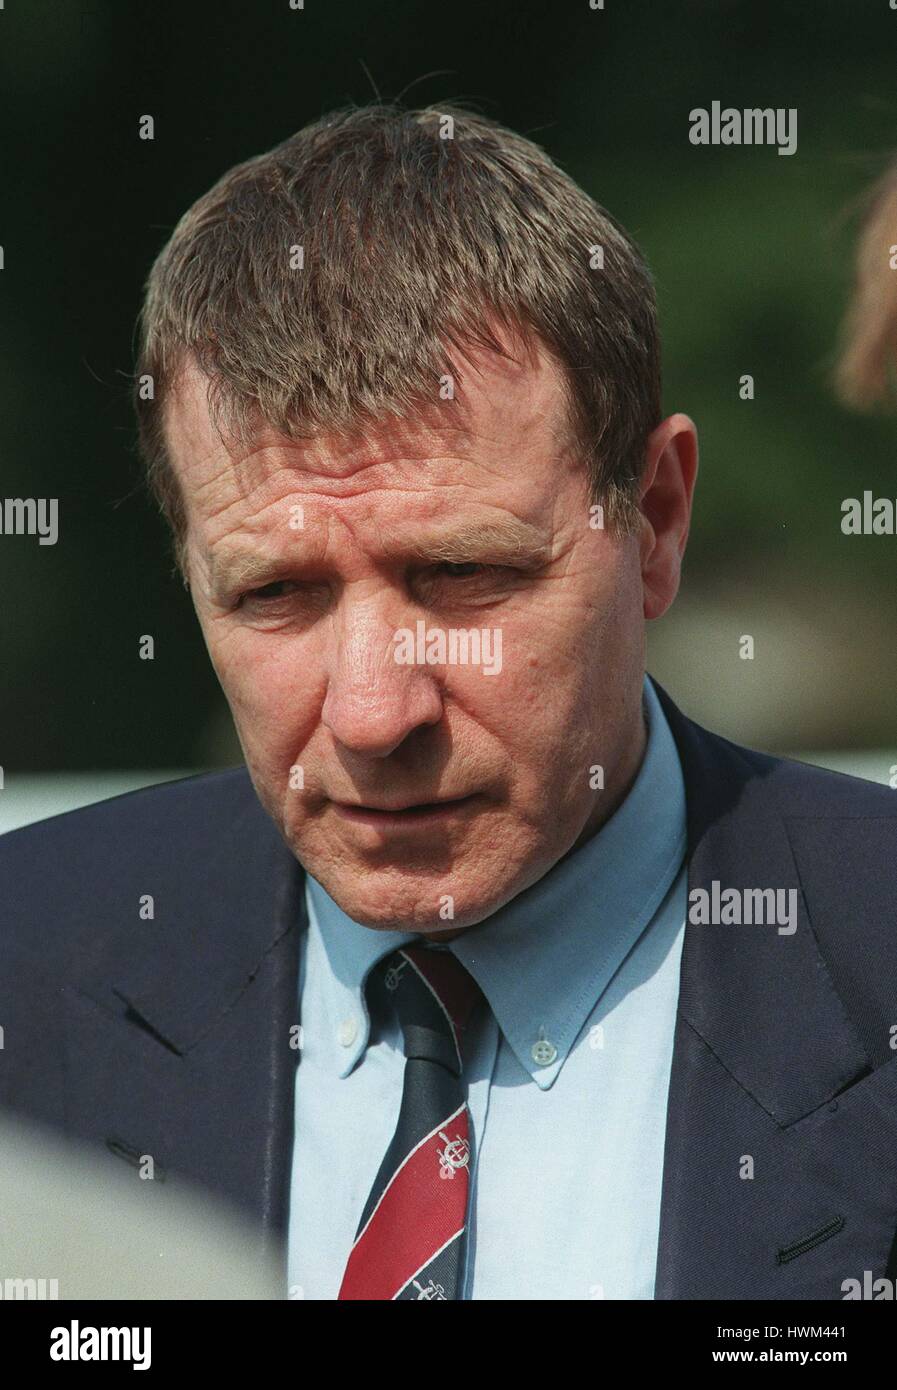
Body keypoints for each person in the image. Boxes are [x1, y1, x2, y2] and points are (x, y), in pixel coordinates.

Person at [3, 104, 897, 1301]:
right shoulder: (31, 972)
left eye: (464, 574)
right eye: (275, 593)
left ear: (656, 523)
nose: (374, 713)